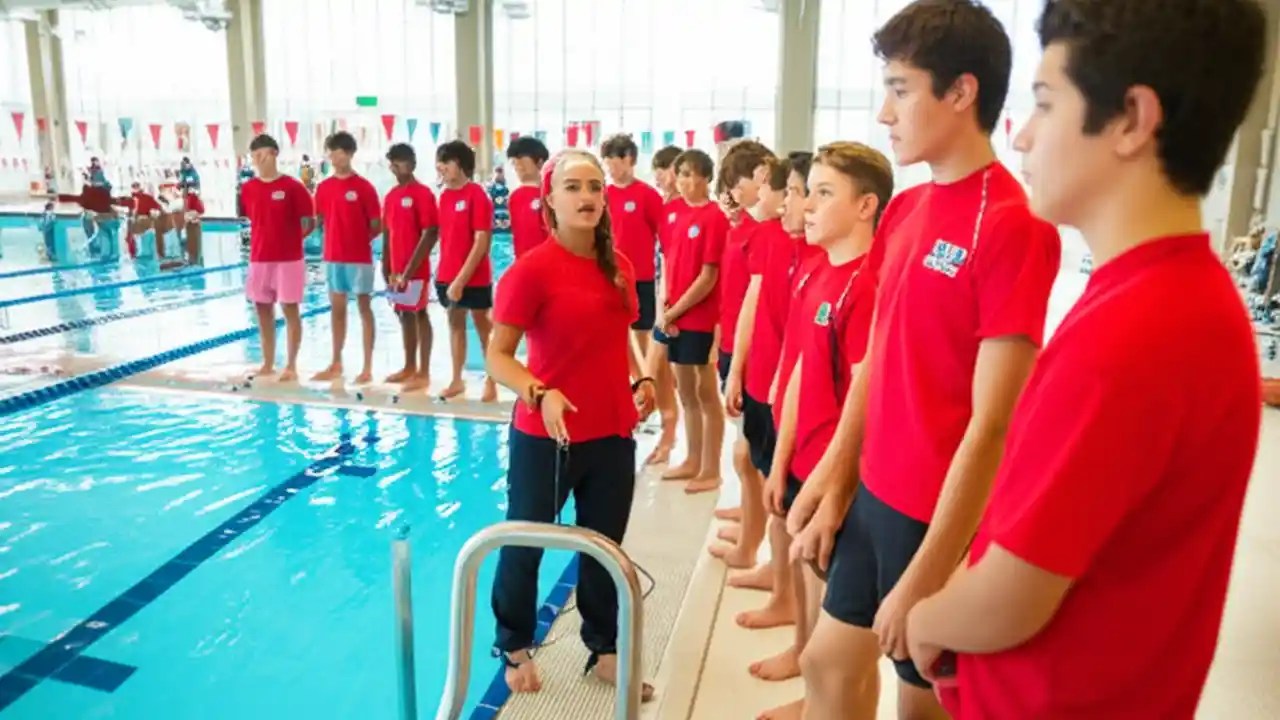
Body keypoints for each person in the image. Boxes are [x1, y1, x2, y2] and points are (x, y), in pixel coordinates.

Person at [904, 2, 1266, 718]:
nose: (1025, 135)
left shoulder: (1134, 333)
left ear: (1131, 119)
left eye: (1044, 104)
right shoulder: (1187, 296)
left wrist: (924, 618)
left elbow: (1013, 596)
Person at [787, 3, 1063, 718]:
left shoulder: (1013, 226)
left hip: (939, 518)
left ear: (961, 92)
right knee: (825, 662)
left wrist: (927, 575)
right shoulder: (908, 211)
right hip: (878, 495)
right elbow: (875, 358)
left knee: (920, 710)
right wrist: (834, 476)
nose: (885, 112)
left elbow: (993, 424)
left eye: (901, 89)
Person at [487, 149, 657, 700]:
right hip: (546, 436)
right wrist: (540, 392)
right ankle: (513, 646)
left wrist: (641, 378)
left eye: (595, 187)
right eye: (574, 187)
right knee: (525, 543)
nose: (587, 196)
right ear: (550, 202)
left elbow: (620, 335)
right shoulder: (530, 271)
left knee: (605, 544)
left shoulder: (620, 266)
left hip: (611, 431)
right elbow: (499, 357)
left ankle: (604, 649)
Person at [755, 142, 893, 720]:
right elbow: (800, 375)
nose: (806, 205)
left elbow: (865, 406)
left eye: (823, 193)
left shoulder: (867, 286)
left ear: (866, 207)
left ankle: (826, 699)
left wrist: (830, 491)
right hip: (807, 468)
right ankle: (813, 696)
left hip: (845, 482)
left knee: (847, 642)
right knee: (814, 593)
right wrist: (784, 461)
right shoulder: (818, 271)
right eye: (806, 190)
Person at [711, 153, 805, 577]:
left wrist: (746, 371)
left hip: (768, 376)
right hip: (751, 364)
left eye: (768, 185)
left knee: (758, 465)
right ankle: (756, 540)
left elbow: (784, 323)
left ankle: (757, 549)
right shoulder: (762, 235)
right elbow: (747, 301)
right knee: (749, 460)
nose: (763, 195)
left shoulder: (778, 239)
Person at [705, 140, 773, 566]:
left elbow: (759, 303)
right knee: (743, 451)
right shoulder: (742, 229)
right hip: (733, 347)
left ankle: (751, 544)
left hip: (750, 356)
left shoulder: (764, 234)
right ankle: (750, 520)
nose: (732, 196)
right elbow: (732, 297)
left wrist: (739, 366)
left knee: (750, 456)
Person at [656, 149, 729, 494]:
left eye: (691, 175)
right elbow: (669, 264)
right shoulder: (672, 212)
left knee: (704, 391)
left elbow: (708, 277)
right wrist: (663, 307)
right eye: (681, 174)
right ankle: (692, 458)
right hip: (673, 315)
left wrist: (674, 312)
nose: (684, 181)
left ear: (706, 179)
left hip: (699, 316)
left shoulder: (715, 217)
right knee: (684, 390)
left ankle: (711, 468)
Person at [241, 134, 315, 382]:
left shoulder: (293, 187)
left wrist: (293, 240)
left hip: (289, 260)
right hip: (259, 258)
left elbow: (310, 222)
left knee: (290, 309)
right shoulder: (249, 189)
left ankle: (292, 365)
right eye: (254, 156)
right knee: (262, 311)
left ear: (273, 153)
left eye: (260, 154)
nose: (257, 160)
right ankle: (268, 363)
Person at [312, 131, 382, 384]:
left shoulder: (364, 187)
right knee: (337, 310)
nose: (333, 157)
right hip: (333, 258)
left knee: (364, 308)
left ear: (350, 154)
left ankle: (367, 367)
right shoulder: (324, 188)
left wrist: (359, 241)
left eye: (338, 152)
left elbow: (377, 224)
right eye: (330, 152)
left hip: (359, 259)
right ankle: (336, 362)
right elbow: (317, 220)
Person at [435, 140, 498, 403]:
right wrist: (446, 277)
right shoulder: (444, 197)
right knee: (454, 325)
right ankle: (456, 379)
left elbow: (481, 242)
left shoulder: (477, 195)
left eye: (446, 162)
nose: (441, 167)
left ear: (459, 165)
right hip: (446, 274)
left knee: (484, 328)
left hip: (474, 277)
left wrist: (461, 279)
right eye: (439, 162)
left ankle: (492, 380)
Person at [382, 143, 439, 393]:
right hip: (396, 270)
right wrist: (386, 268)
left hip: (416, 270)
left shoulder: (423, 194)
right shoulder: (391, 196)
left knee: (419, 313)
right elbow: (387, 234)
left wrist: (408, 271)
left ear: (412, 164)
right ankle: (408, 366)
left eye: (400, 162)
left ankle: (423, 372)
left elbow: (430, 234)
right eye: (392, 163)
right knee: (404, 315)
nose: (395, 167)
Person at [602, 134, 665, 357]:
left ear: (629, 159)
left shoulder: (648, 195)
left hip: (641, 277)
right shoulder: (602, 195)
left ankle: (646, 383)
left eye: (614, 163)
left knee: (641, 334)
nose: (610, 169)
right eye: (607, 163)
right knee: (612, 334)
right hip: (609, 275)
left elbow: (664, 236)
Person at [643, 144, 685, 465]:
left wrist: (666, 306)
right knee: (657, 368)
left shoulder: (687, 209)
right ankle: (667, 433)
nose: (659, 175)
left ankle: (672, 438)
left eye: (665, 168)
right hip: (665, 296)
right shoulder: (667, 206)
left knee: (675, 375)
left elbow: (676, 261)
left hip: (676, 302)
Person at [506, 136, 550, 258]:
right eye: (515, 163)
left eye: (523, 163)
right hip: (522, 262)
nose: (519, 167)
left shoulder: (550, 193)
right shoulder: (514, 197)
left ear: (540, 162)